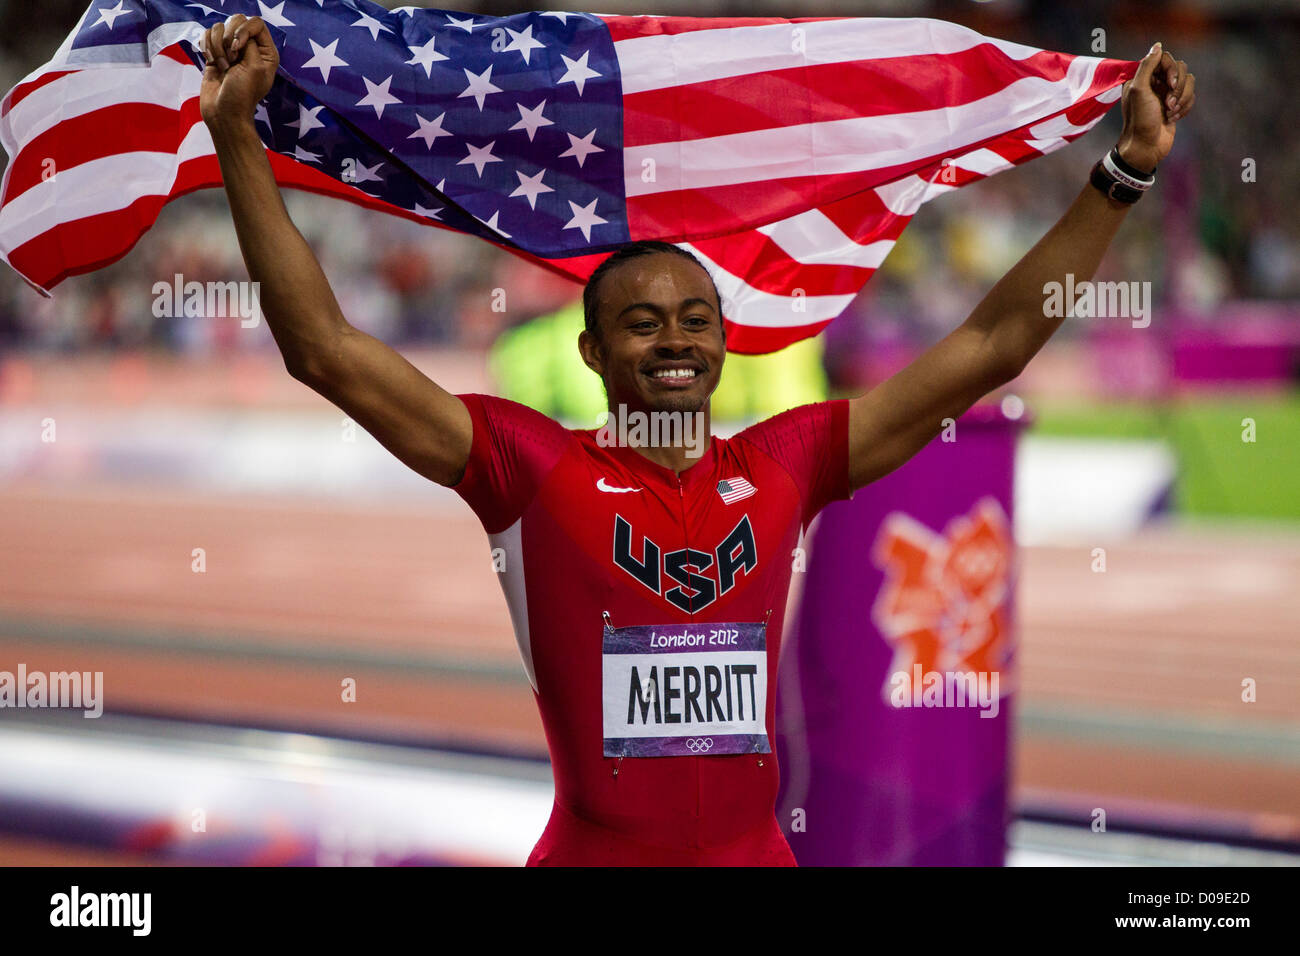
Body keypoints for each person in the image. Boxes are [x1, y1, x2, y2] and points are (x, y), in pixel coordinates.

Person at [201, 15, 1194, 866]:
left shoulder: (783, 463)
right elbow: (325, 349)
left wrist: (1123, 170)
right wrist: (237, 136)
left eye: (694, 318)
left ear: (724, 342)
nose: (673, 337)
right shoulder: (528, 466)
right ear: (591, 350)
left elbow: (988, 345)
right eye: (642, 322)